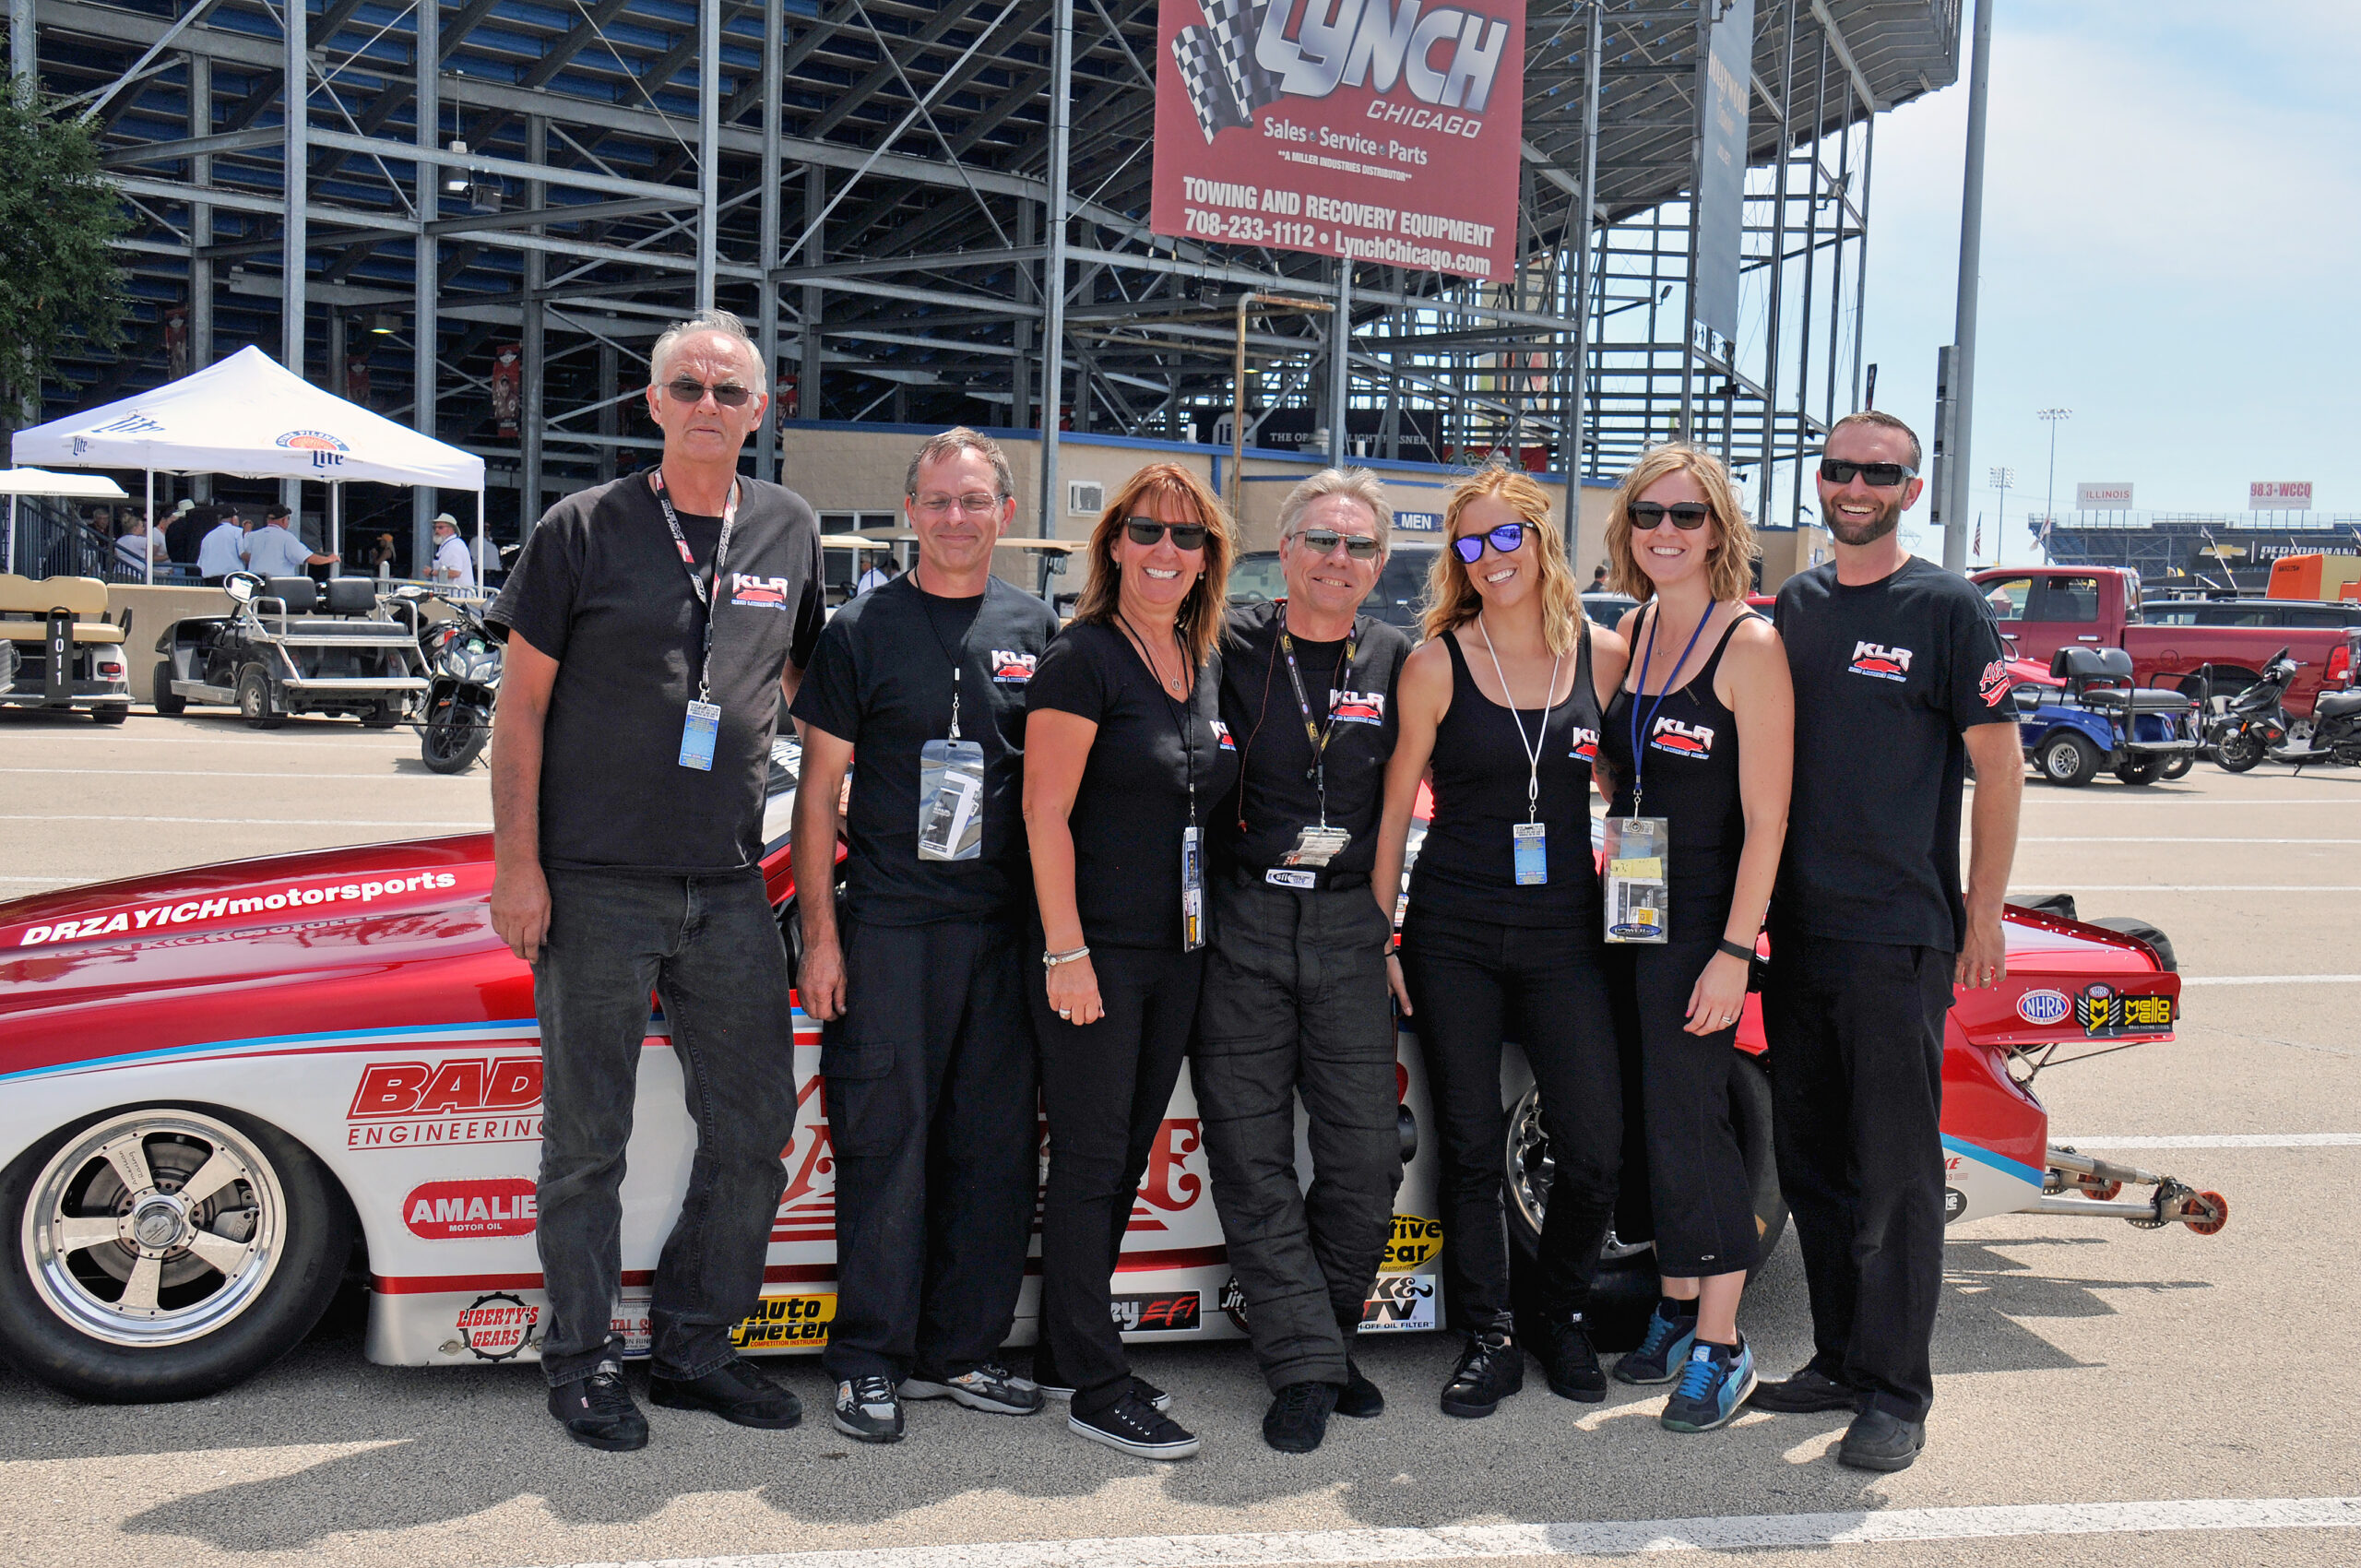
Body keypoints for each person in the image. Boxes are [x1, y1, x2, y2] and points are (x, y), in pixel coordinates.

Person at [486, 308, 826, 1453]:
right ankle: (581, 1360)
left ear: (762, 407)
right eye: (688, 387)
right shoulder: (582, 526)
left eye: (730, 392)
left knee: (754, 1126)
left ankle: (692, 1348)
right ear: (653, 403)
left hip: (729, 886)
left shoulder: (789, 527)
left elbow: (810, 691)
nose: (708, 407)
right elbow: (518, 711)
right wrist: (518, 866)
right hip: (592, 884)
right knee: (588, 1138)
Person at [1746, 410, 2022, 1473]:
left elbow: (1997, 767)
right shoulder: (1796, 606)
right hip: (1800, 935)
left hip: (1897, 935)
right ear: (1818, 482)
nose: (1854, 485)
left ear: (1911, 488)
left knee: (1897, 1175)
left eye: (1879, 472)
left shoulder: (1947, 609)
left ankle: (1898, 1390)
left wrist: (1983, 908)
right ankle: (1838, 1357)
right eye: (1839, 469)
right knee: (1813, 1163)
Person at [789, 429, 1060, 1445]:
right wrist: (823, 936)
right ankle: (868, 1358)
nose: (956, 518)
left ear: (1004, 511)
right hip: (891, 930)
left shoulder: (1036, 624)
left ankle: (961, 1350)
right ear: (911, 510)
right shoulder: (861, 627)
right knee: (885, 1149)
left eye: (976, 500)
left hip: (1000, 936)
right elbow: (818, 795)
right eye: (939, 500)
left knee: (990, 1155)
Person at [1372, 463, 1629, 1420]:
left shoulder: (1599, 657)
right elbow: (1396, 808)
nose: (1489, 559)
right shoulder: (1436, 660)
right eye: (1469, 545)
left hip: (1567, 930)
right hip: (1454, 932)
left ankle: (1556, 1310)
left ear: (1539, 540)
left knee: (1595, 1143)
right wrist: (1382, 931)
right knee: (1472, 1146)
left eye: (1504, 537)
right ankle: (1488, 1334)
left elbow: (1627, 788)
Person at [1022, 461, 1238, 1461]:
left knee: (1123, 1159)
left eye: (1185, 538)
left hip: (1177, 954)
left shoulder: (1199, 656)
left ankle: (1076, 1348)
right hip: (1095, 953)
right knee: (1092, 1162)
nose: (1165, 551)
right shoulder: (1084, 657)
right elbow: (1043, 812)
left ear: (1207, 558)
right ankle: (1093, 1380)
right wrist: (1066, 949)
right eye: (1146, 532)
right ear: (1113, 545)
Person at [1196, 469, 1411, 1454]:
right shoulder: (1226, 640)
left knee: (1368, 1153)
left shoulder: (1399, 658)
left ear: (1381, 562)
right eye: (1321, 540)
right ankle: (1303, 1363)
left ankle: (1315, 1335)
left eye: (1359, 545)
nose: (1339, 559)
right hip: (1239, 925)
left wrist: (1399, 927)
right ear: (1281, 551)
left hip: (1347, 927)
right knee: (1252, 1158)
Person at [1590, 445, 1792, 1433]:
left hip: (1704, 913)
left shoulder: (1747, 643)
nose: (1663, 532)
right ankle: (1675, 1305)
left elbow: (1768, 818)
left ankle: (1722, 1343)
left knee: (1692, 1117)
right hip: (1632, 890)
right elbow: (1623, 777)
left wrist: (1733, 950)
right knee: (1644, 1110)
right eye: (1646, 515)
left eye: (1684, 515)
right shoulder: (1633, 628)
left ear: (1718, 529)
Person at [241, 505, 335, 578]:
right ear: (284, 520)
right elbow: (309, 558)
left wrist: (247, 527)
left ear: (268, 520)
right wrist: (329, 559)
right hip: (278, 585)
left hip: (255, 583)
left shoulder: (253, 536)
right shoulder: (287, 538)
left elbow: (244, 552)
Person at [196, 509, 246, 585]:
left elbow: (200, 563)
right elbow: (243, 554)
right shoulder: (238, 532)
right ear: (234, 519)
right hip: (232, 579)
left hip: (210, 580)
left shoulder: (208, 536)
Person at [430, 513, 476, 588]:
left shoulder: (454, 546)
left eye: (440, 527)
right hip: (450, 595)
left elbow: (455, 572)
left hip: (457, 597)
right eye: (435, 528)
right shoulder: (448, 545)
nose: (436, 530)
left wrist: (432, 572)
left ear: (451, 529)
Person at [113, 512, 163, 578]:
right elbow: (154, 545)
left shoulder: (120, 540)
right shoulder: (139, 540)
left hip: (119, 573)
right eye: (142, 526)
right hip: (134, 574)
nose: (143, 529)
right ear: (135, 528)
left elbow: (116, 556)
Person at [164, 499, 209, 564]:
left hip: (178, 562)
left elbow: (169, 545)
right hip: (197, 562)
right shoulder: (200, 525)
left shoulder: (173, 526)